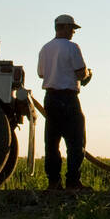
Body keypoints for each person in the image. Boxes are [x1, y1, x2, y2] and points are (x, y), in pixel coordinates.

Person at [36, 14, 92, 191]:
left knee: (52, 142)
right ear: (65, 27)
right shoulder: (72, 47)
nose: (74, 32)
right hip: (68, 98)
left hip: (51, 98)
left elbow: (41, 74)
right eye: (72, 28)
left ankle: (54, 182)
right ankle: (73, 181)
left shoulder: (45, 48)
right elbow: (80, 73)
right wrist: (89, 74)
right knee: (76, 141)